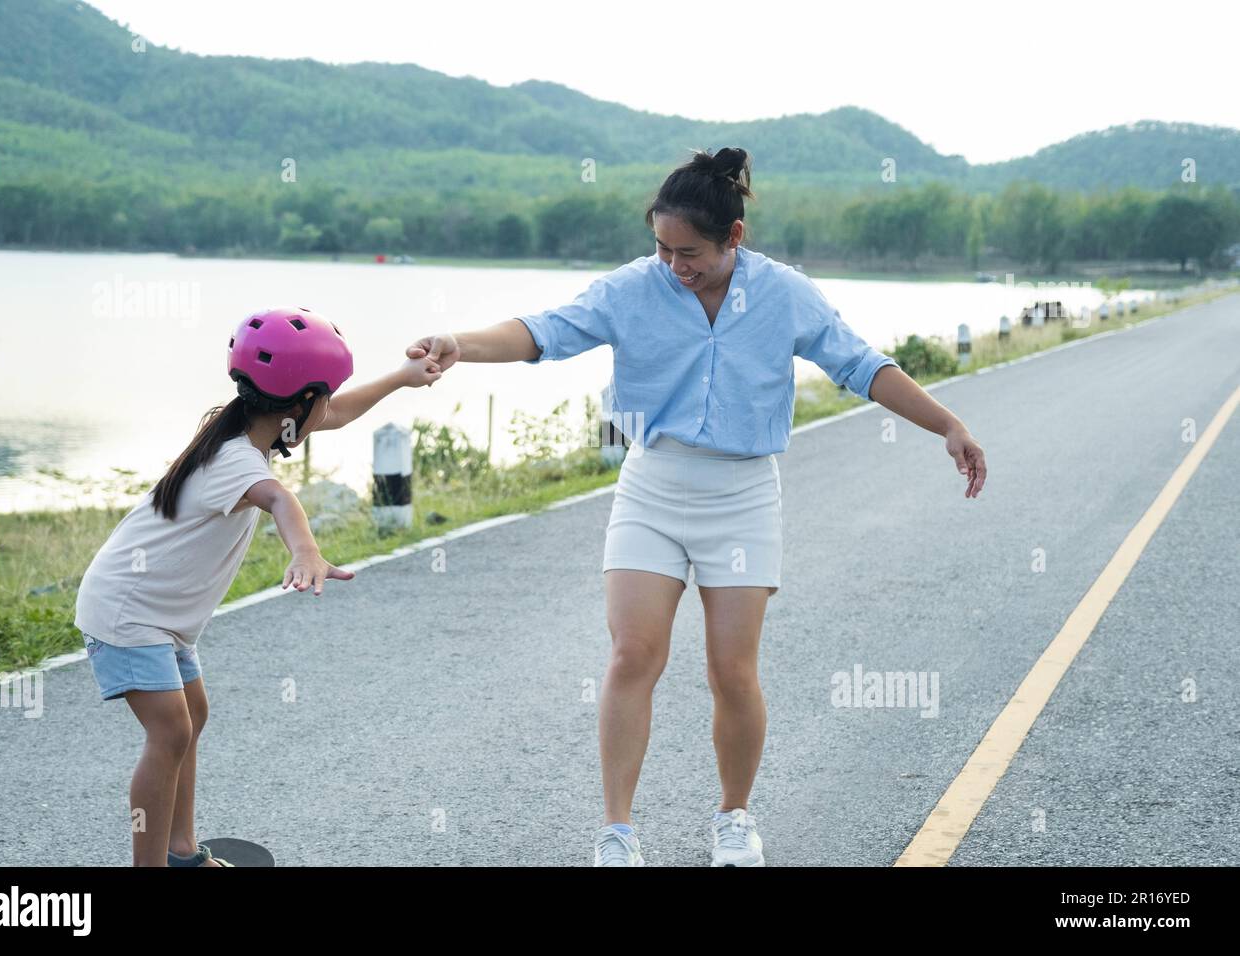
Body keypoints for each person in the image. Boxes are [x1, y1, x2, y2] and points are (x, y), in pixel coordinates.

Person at [408, 148, 987, 866]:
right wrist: (459, 343)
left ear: (734, 238)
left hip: (742, 495)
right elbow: (544, 332)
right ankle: (616, 831)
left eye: (691, 253)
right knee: (632, 654)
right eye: (662, 248)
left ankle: (734, 819)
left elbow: (860, 364)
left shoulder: (784, 293)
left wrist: (948, 425)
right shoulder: (634, 288)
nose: (674, 265)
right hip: (653, 484)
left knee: (732, 670)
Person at [74, 306, 441, 866]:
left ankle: (182, 852)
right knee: (171, 730)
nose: (327, 407)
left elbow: (335, 413)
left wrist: (401, 377)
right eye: (322, 395)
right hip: (128, 612)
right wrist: (306, 550)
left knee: (192, 717)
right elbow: (278, 498)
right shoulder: (235, 460)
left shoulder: (242, 425)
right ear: (297, 404)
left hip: (161, 615)